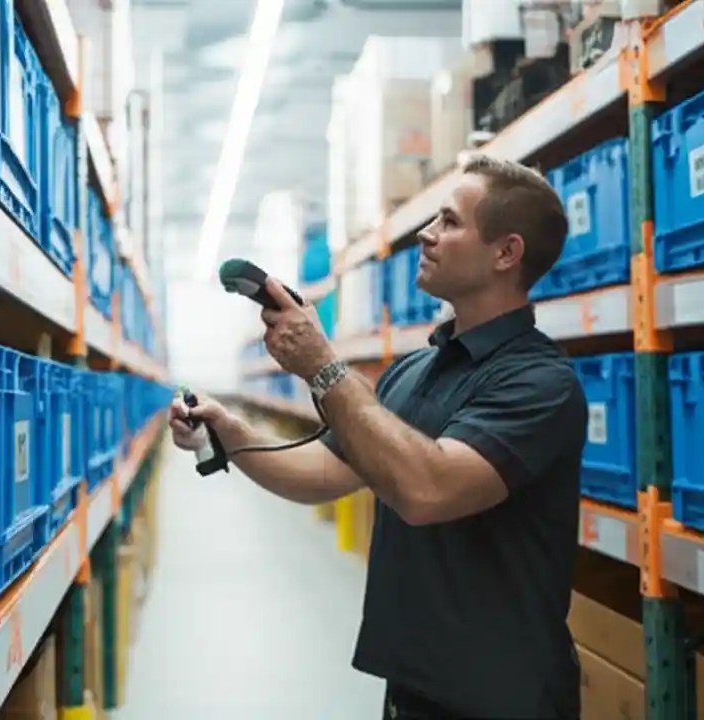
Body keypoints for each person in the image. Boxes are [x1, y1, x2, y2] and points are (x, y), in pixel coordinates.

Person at [171, 155, 587, 719]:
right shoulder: (414, 372)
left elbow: (428, 490)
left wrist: (324, 367)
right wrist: (229, 430)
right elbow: (322, 473)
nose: (427, 233)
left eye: (449, 221)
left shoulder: (541, 384)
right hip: (412, 690)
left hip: (501, 700)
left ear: (505, 253)